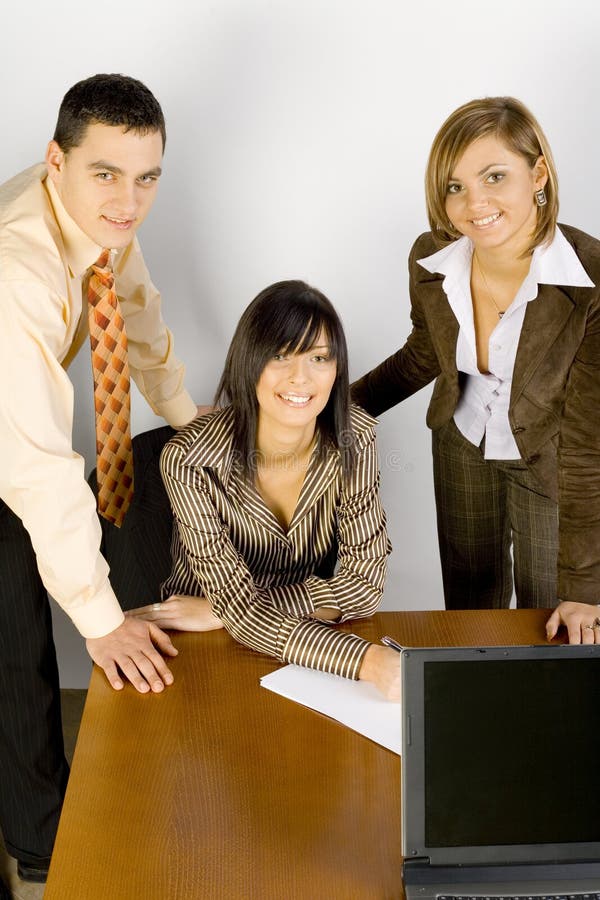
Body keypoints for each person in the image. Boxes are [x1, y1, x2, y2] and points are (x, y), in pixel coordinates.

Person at [0, 74, 202, 881]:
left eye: (147, 176)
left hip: (18, 431)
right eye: (107, 173)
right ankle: (43, 850)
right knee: (18, 635)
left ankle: (134, 790)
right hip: (11, 439)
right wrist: (98, 618)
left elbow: (142, 322)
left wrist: (196, 433)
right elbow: (37, 465)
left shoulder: (104, 222)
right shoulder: (21, 273)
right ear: (57, 160)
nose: (129, 199)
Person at [350, 96, 600, 644]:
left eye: (494, 176)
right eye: (455, 186)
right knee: (468, 611)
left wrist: (585, 585)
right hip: (463, 444)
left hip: (553, 464)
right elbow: (425, 353)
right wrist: (329, 411)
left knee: (550, 622)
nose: (473, 203)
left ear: (538, 173)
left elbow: (587, 442)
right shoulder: (432, 258)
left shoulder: (592, 281)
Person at [129, 280, 400, 697]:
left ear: (336, 370)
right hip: (201, 641)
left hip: (290, 634)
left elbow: (365, 587)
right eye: (280, 356)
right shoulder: (189, 458)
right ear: (249, 362)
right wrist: (368, 661)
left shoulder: (354, 439)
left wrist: (224, 612)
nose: (301, 378)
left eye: (319, 358)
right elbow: (341, 594)